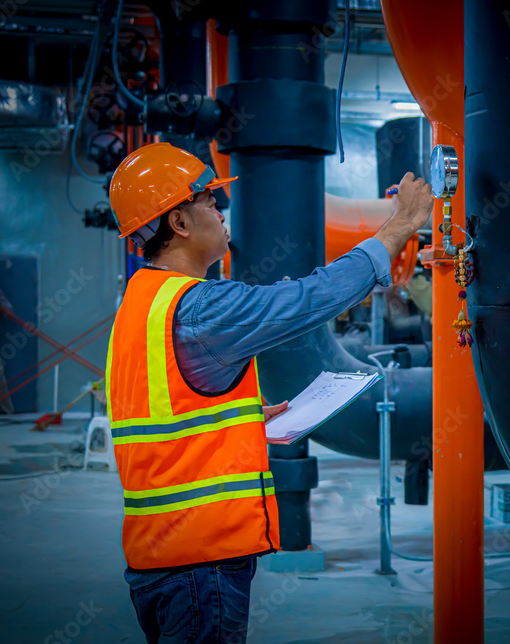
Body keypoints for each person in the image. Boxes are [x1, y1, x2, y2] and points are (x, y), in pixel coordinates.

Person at [104, 142, 432, 643]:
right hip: (201, 562)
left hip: (161, 557)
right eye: (210, 200)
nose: (221, 209)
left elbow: (165, 414)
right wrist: (399, 226)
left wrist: (238, 420)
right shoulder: (199, 310)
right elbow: (309, 299)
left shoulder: (143, 303)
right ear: (180, 224)